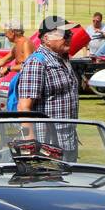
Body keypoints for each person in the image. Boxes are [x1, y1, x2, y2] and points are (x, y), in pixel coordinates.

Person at [16, 17, 80, 157]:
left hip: (67, 141)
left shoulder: (63, 58)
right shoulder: (37, 63)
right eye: (64, 34)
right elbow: (23, 107)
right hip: (46, 147)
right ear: (46, 38)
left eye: (70, 34)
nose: (69, 37)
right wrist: (31, 145)